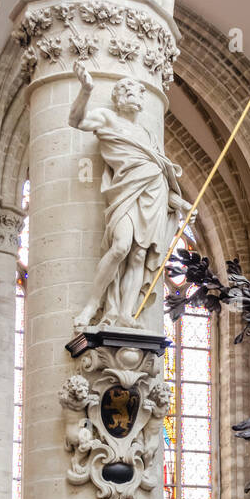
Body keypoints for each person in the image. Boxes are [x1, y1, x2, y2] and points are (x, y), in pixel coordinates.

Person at [69, 62, 193, 329]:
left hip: (153, 196)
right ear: (118, 97)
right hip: (124, 192)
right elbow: (76, 120)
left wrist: (180, 202)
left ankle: (125, 313)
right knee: (121, 246)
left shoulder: (148, 134)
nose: (133, 96)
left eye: (136, 93)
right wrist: (86, 90)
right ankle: (92, 306)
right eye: (127, 92)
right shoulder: (107, 118)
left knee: (138, 256)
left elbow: (159, 174)